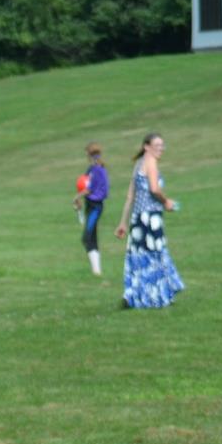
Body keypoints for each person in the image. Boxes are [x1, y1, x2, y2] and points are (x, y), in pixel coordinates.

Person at [114, 132, 184, 310]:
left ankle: (135, 296)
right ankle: (157, 296)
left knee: (139, 257)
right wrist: (166, 201)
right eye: (157, 145)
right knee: (155, 255)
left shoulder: (138, 164)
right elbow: (154, 189)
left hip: (137, 219)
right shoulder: (151, 163)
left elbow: (130, 196)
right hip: (150, 217)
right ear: (146, 146)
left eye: (162, 146)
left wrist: (123, 222)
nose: (161, 149)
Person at [75, 142, 108, 276]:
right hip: (90, 205)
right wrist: (80, 200)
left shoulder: (98, 170)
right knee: (91, 236)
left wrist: (77, 197)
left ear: (90, 154)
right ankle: (96, 270)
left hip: (96, 207)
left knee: (87, 237)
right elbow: (84, 185)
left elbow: (90, 188)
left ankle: (97, 270)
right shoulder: (91, 169)